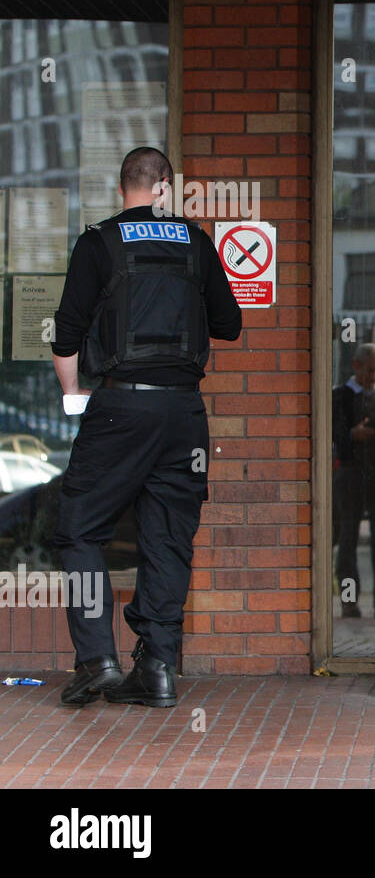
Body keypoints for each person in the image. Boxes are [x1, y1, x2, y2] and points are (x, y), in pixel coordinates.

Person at [52, 146, 242, 708]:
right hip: (184, 415)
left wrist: (73, 394)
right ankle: (156, 669)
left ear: (122, 189)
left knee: (81, 530)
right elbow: (229, 326)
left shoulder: (98, 243)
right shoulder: (197, 242)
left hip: (118, 408)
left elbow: (65, 336)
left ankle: (96, 660)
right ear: (167, 186)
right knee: (167, 539)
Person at [333, 343, 375, 619]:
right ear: (356, 366)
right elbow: (338, 435)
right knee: (347, 537)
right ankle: (349, 601)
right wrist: (353, 435)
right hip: (349, 473)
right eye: (370, 370)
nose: (373, 377)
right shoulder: (341, 396)